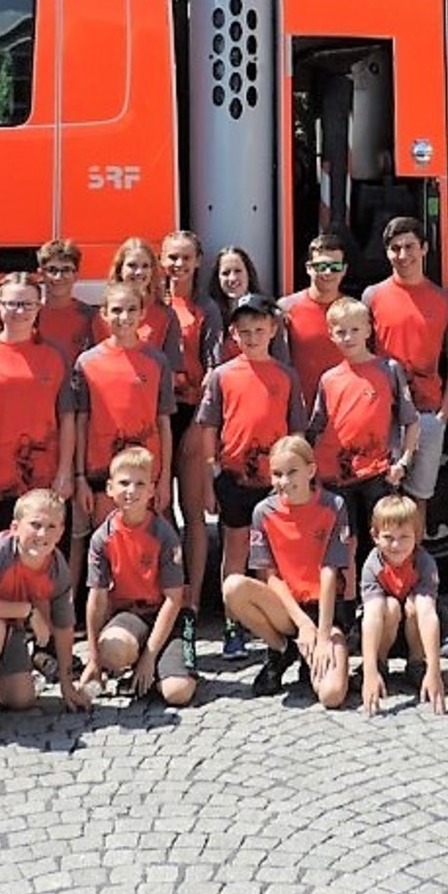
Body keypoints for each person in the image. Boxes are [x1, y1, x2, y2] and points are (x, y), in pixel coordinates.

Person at [194, 292, 308, 659]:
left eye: (259, 329)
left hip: (275, 482)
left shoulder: (286, 376)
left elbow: (297, 431)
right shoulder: (222, 376)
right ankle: (234, 624)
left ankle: (271, 618)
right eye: (245, 331)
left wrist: (298, 475)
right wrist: (211, 471)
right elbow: (209, 426)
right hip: (234, 477)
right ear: (233, 334)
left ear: (273, 330)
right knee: (236, 548)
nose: (253, 337)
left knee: (274, 554)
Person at [221, 436, 354, 708]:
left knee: (331, 695)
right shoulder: (263, 512)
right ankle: (282, 650)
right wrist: (302, 624)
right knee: (233, 587)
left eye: (292, 472)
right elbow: (269, 577)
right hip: (288, 609)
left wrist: (323, 635)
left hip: (326, 610)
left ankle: (315, 656)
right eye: (277, 474)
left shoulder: (334, 506)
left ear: (311, 471)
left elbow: (330, 573)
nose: (283, 481)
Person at [361, 216, 448, 532]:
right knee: (384, 501)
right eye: (395, 248)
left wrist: (444, 415)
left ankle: (414, 575)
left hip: (427, 415)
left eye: (409, 247)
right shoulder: (372, 297)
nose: (402, 255)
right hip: (384, 416)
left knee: (419, 499)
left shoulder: (445, 301)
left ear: (425, 249)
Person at [68, 281, 175, 574]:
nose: (124, 317)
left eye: (131, 310)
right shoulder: (87, 362)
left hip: (145, 474)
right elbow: (81, 421)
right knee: (105, 545)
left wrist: (164, 478)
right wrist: (79, 477)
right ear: (103, 313)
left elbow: (163, 421)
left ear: (142, 314)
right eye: (116, 310)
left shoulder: (156, 361)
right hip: (101, 472)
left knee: (143, 546)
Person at [79, 448, 198, 707]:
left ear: (152, 491)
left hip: (172, 618)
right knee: (113, 649)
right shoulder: (102, 538)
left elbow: (173, 600)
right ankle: (136, 664)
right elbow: (96, 599)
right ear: (109, 488)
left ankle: (158, 667)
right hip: (132, 615)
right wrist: (94, 659)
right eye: (124, 483)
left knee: (178, 693)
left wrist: (150, 657)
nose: (131, 490)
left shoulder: (164, 535)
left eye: (140, 483)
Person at [0, 487, 90, 726]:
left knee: (21, 699)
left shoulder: (57, 566)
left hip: (12, 630)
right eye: (35, 524)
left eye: (52, 527)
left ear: (61, 532)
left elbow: (64, 625)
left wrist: (66, 682)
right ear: (14, 527)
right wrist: (27, 611)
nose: (43, 534)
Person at [307, 296, 419, 555]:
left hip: (377, 474)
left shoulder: (388, 370)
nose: (349, 337)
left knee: (381, 538)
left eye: (355, 330)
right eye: (341, 332)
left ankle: (377, 591)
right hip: (334, 475)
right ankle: (346, 595)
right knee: (343, 542)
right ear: (331, 335)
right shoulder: (329, 379)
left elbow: (410, 421)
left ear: (368, 330)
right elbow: (316, 428)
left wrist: (403, 461)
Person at [0, 273, 76, 535]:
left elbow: (66, 418)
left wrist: (65, 471)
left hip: (47, 477)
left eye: (27, 304)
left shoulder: (55, 355)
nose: (19, 311)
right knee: (5, 556)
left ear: (39, 306)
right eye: (12, 304)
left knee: (46, 554)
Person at [160, 229, 223, 624]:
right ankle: (166, 590)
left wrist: (201, 424)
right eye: (171, 257)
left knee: (193, 512)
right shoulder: (152, 304)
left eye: (186, 258)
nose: (178, 265)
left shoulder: (206, 308)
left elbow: (214, 371)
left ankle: (194, 599)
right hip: (158, 415)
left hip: (193, 414)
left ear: (198, 261)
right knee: (160, 508)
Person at [357, 493, 448, 716]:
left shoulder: (424, 562)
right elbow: (371, 615)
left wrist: (435, 670)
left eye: (404, 537)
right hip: (384, 628)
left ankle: (417, 663)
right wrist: (369, 671)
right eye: (388, 537)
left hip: (416, 630)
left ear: (416, 536)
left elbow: (427, 613)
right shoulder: (372, 565)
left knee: (414, 604)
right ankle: (379, 664)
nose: (396, 545)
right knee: (389, 606)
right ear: (375, 536)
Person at [92, 237, 185, 380]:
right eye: (132, 265)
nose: (139, 272)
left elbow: (171, 372)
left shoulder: (166, 315)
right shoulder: (102, 316)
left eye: (145, 266)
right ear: (120, 269)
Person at [279, 233, 349, 410]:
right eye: (321, 266)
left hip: (344, 407)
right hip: (299, 411)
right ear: (309, 268)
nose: (327, 272)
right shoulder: (286, 308)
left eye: (334, 266)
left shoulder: (354, 309)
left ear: (344, 270)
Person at [207, 245, 292, 365]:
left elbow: (282, 362)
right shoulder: (211, 314)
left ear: (249, 274)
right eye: (225, 273)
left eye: (238, 271)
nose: (232, 278)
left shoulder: (271, 314)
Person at [33, 238, 94, 362]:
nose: (58, 277)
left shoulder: (90, 316)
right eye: (52, 270)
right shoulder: (29, 313)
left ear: (76, 275)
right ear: (41, 274)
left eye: (66, 270)